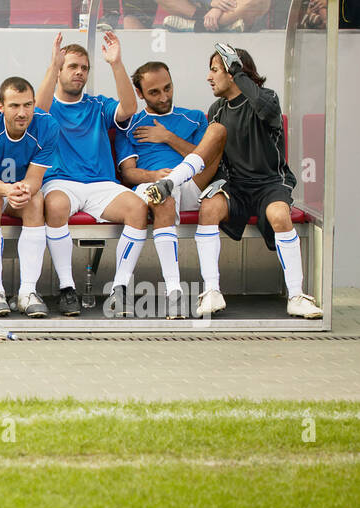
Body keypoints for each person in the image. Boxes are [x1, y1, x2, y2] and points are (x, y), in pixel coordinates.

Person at [191, 45, 321, 318]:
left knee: (278, 213)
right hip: (235, 186)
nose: (208, 77)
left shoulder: (267, 99)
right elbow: (215, 157)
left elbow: (263, 107)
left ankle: (296, 296)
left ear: (233, 72)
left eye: (215, 70)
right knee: (208, 209)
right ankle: (212, 291)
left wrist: (238, 72)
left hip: (270, 184)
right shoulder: (216, 110)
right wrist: (217, 182)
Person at [35, 31, 149, 317]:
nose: (79, 72)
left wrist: (116, 64)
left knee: (138, 207)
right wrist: (51, 65)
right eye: (72, 66)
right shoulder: (48, 107)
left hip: (101, 184)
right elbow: (37, 110)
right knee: (56, 205)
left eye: (84, 68)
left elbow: (130, 107)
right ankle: (67, 288)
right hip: (61, 182)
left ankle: (119, 288)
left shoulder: (98, 105)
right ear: (60, 70)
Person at [117, 60, 227, 318]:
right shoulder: (130, 123)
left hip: (192, 184)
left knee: (217, 132)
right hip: (150, 189)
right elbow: (128, 172)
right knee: (162, 197)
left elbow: (206, 159)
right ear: (140, 94)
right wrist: (155, 175)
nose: (164, 96)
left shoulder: (195, 117)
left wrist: (168, 137)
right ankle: (174, 292)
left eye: (168, 88)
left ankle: (172, 182)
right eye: (154, 92)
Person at [0, 77, 63, 318]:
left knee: (36, 201)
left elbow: (35, 179)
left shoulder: (47, 126)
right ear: (1, 107)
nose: (22, 112)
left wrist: (24, 190)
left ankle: (28, 292)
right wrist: (9, 191)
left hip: (17, 183)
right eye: (14, 106)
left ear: (35, 104)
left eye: (27, 105)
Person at [161, 0, 271, 31]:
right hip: (198, 11)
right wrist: (211, 2)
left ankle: (197, 26)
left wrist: (219, 8)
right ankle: (204, 22)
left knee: (261, 1)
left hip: (235, 10)